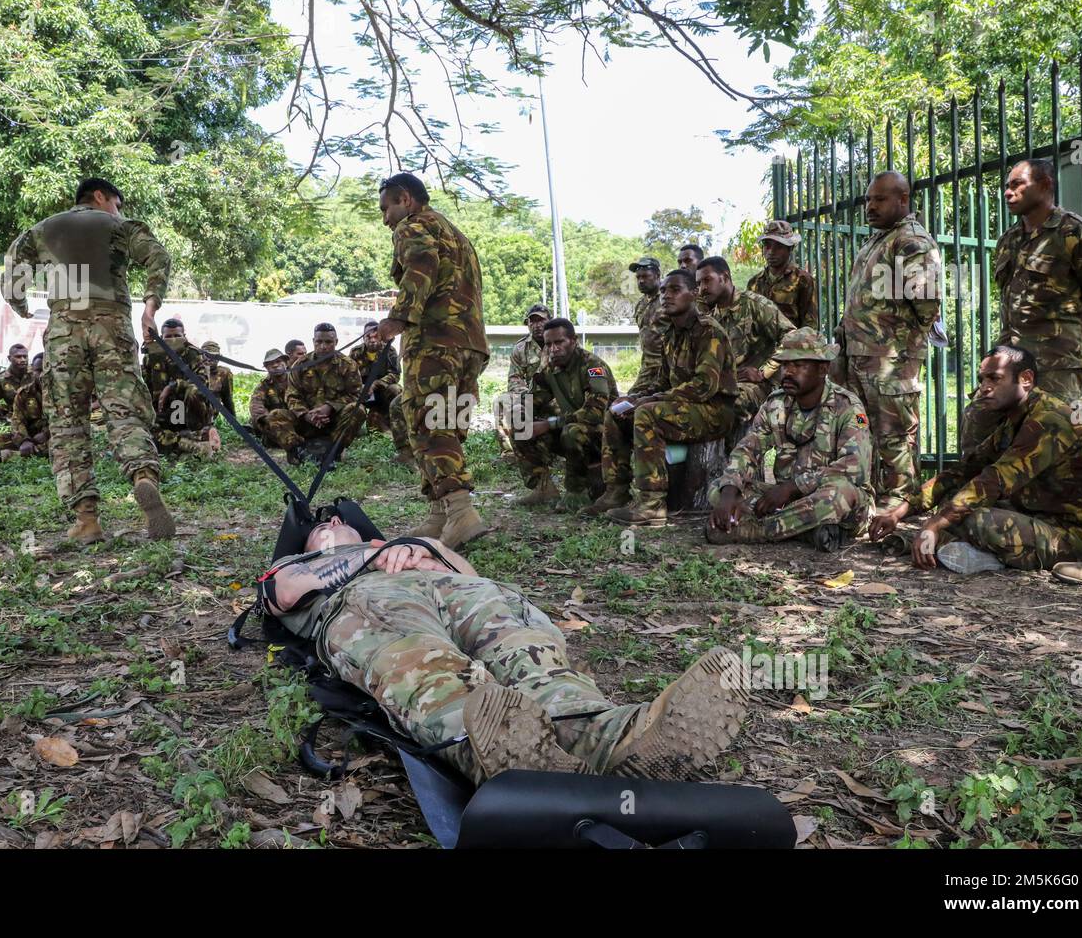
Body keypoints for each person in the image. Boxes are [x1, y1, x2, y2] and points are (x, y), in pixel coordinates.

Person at [264, 518, 750, 787]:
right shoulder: (297, 560)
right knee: (419, 664)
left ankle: (613, 736)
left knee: (528, 651)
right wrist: (370, 559)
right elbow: (287, 594)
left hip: (461, 592)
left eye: (339, 519)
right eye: (321, 525)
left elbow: (468, 575)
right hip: (372, 601)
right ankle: (494, 752)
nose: (330, 522)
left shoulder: (408, 543)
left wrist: (420, 548)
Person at [0, 176, 176, 543]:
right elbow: (158, 255)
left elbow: (13, 269)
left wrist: (22, 305)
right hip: (112, 324)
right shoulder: (117, 225)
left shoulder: (44, 228)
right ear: (101, 196)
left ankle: (87, 520)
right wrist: (149, 308)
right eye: (118, 202)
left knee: (67, 422)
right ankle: (143, 476)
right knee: (125, 410)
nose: (119, 210)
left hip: (65, 327)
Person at [868, 346, 1082, 573]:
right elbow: (964, 471)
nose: (984, 387)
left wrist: (933, 525)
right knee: (956, 502)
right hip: (1043, 518)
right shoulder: (1015, 418)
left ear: (1026, 379)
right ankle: (958, 549)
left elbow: (995, 480)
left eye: (994, 378)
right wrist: (899, 512)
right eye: (982, 379)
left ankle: (982, 556)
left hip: (1081, 537)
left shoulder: (1049, 419)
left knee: (979, 520)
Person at [960, 158, 1082, 455]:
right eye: (1007, 186)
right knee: (979, 418)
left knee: (1056, 432)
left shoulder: (1077, 234)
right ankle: (981, 494)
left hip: (1058, 356)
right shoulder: (1009, 240)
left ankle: (1078, 496)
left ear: (1045, 185)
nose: (1008, 192)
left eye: (1017, 184)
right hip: (1012, 356)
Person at [376, 172, 490, 547]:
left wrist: (398, 317)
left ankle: (460, 512)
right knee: (449, 422)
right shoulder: (454, 232)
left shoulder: (414, 226)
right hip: (469, 344)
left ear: (405, 199)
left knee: (430, 423)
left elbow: (420, 266)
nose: (385, 219)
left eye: (386, 208)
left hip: (435, 341)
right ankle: (440, 513)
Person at [582, 269, 737, 528]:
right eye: (664, 290)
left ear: (694, 293)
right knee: (617, 411)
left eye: (675, 290)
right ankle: (616, 491)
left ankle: (652, 504)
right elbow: (661, 383)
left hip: (715, 410)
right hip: (684, 407)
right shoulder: (670, 335)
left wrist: (650, 400)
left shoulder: (708, 332)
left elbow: (704, 386)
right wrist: (634, 398)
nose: (666, 295)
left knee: (647, 414)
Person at [830, 170, 942, 513]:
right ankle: (872, 494)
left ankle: (900, 500)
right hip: (860, 355)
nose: (870, 206)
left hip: (890, 359)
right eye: (868, 199)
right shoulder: (878, 239)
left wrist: (900, 340)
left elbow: (926, 302)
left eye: (879, 199)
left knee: (894, 433)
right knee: (861, 429)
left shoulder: (911, 241)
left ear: (902, 199)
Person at [707, 328, 873, 551]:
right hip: (789, 502)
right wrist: (729, 494)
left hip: (837, 501)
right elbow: (748, 448)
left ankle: (755, 530)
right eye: (785, 365)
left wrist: (793, 487)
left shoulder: (849, 408)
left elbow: (855, 468)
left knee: (838, 494)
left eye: (799, 365)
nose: (788, 372)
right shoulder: (775, 404)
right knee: (719, 488)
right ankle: (805, 531)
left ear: (823, 368)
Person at [511, 317, 617, 511]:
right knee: (520, 426)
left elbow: (595, 413)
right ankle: (543, 487)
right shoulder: (551, 369)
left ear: (573, 340)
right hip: (570, 429)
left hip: (606, 436)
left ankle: (576, 493)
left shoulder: (592, 366)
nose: (553, 349)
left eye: (559, 342)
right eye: (549, 344)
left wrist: (549, 424)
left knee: (572, 431)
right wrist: (521, 412)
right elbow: (535, 398)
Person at [695, 255, 794, 425]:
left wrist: (764, 371)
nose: (702, 288)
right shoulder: (710, 319)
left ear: (725, 277)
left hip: (759, 387)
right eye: (698, 284)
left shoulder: (755, 305)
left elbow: (792, 337)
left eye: (707, 280)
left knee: (724, 403)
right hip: (723, 385)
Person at [275, 323, 366, 464]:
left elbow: (356, 394)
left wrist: (330, 407)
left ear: (336, 342)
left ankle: (334, 452)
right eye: (319, 342)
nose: (323, 346)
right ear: (313, 342)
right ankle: (298, 451)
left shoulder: (348, 365)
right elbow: (292, 396)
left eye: (328, 342)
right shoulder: (300, 364)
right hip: (305, 421)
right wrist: (306, 415)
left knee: (357, 409)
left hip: (334, 421)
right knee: (276, 416)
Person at [142, 318, 219, 458]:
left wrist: (174, 386)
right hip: (162, 412)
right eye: (168, 337)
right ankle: (187, 443)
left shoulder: (193, 354)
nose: (173, 340)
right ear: (161, 338)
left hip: (188, 411)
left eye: (177, 335)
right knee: (143, 438)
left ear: (184, 336)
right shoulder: (151, 356)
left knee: (195, 391)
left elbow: (202, 382)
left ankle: (198, 432)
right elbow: (144, 386)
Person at [500, 303, 551, 459]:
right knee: (503, 402)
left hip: (556, 394)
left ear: (549, 321)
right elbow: (514, 378)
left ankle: (558, 449)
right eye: (532, 321)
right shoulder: (520, 348)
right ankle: (509, 451)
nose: (536, 325)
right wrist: (524, 397)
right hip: (530, 395)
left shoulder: (560, 341)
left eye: (541, 320)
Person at [746, 221, 818, 330]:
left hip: (790, 345)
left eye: (778, 247)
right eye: (767, 246)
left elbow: (810, 325)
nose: (771, 252)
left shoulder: (803, 281)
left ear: (790, 248)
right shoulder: (754, 283)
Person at [349, 320, 404, 449]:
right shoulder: (355, 352)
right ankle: (352, 425)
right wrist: (360, 387)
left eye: (375, 336)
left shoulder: (389, 350)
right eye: (368, 336)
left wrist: (376, 384)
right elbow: (349, 375)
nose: (372, 340)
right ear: (363, 337)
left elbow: (395, 374)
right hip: (362, 393)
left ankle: (391, 421)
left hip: (381, 392)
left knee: (396, 389)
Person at [0, 354, 50, 461]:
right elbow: (17, 420)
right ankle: (28, 452)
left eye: (46, 370)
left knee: (60, 443)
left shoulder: (62, 392)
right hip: (33, 434)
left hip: (56, 432)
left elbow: (69, 419)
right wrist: (25, 440)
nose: (42, 375)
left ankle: (15, 456)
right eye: (38, 370)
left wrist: (47, 433)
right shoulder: (24, 393)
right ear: (32, 371)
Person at [248, 348, 291, 449]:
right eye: (270, 363)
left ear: (285, 363)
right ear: (266, 367)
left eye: (278, 361)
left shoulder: (296, 380)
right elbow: (256, 407)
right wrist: (269, 421)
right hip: (274, 423)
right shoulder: (263, 386)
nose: (275, 365)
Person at [629, 256, 665, 358]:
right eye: (638, 277)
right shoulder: (640, 304)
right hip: (647, 362)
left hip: (667, 363)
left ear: (657, 276)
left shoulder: (669, 298)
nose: (641, 281)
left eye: (645, 276)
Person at [201, 341, 236, 423]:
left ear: (220, 358)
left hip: (209, 415)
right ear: (201, 355)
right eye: (207, 355)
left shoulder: (223, 373)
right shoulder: (192, 369)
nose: (209, 359)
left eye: (214, 356)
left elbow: (227, 398)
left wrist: (233, 421)